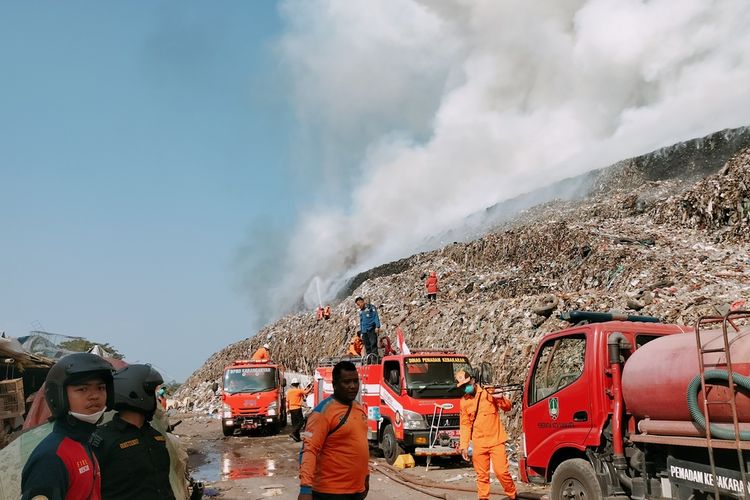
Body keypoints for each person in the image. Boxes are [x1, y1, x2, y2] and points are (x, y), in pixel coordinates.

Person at [21, 352, 115, 500]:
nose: (94, 395)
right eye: (82, 389)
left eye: (101, 388)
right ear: (59, 396)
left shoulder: (83, 443)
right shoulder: (52, 457)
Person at [91, 364, 176, 500]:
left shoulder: (156, 437)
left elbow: (163, 485)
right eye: (151, 393)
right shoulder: (103, 440)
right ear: (136, 393)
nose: (156, 399)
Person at [298, 361, 369, 500]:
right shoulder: (322, 413)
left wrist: (366, 476)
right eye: (346, 382)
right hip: (330, 492)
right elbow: (308, 450)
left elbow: (360, 445)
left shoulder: (359, 408)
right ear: (334, 385)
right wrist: (305, 488)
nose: (353, 386)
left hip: (356, 491)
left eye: (355, 381)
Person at [455, 370, 517, 500]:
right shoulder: (464, 402)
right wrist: (464, 446)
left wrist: (500, 398)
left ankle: (512, 495)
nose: (465, 388)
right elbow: (465, 425)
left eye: (466, 384)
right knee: (482, 476)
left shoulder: (488, 392)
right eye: (462, 386)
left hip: (496, 440)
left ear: (472, 380)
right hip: (479, 444)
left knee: (502, 472)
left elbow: (507, 407)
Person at [287, 378, 312, 442]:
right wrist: (311, 387)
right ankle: (293, 432)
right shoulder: (298, 391)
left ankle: (297, 438)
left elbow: (287, 401)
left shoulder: (289, 392)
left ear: (292, 384)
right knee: (301, 422)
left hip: (291, 409)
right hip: (297, 408)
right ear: (298, 384)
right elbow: (306, 392)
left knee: (295, 424)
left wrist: (287, 409)